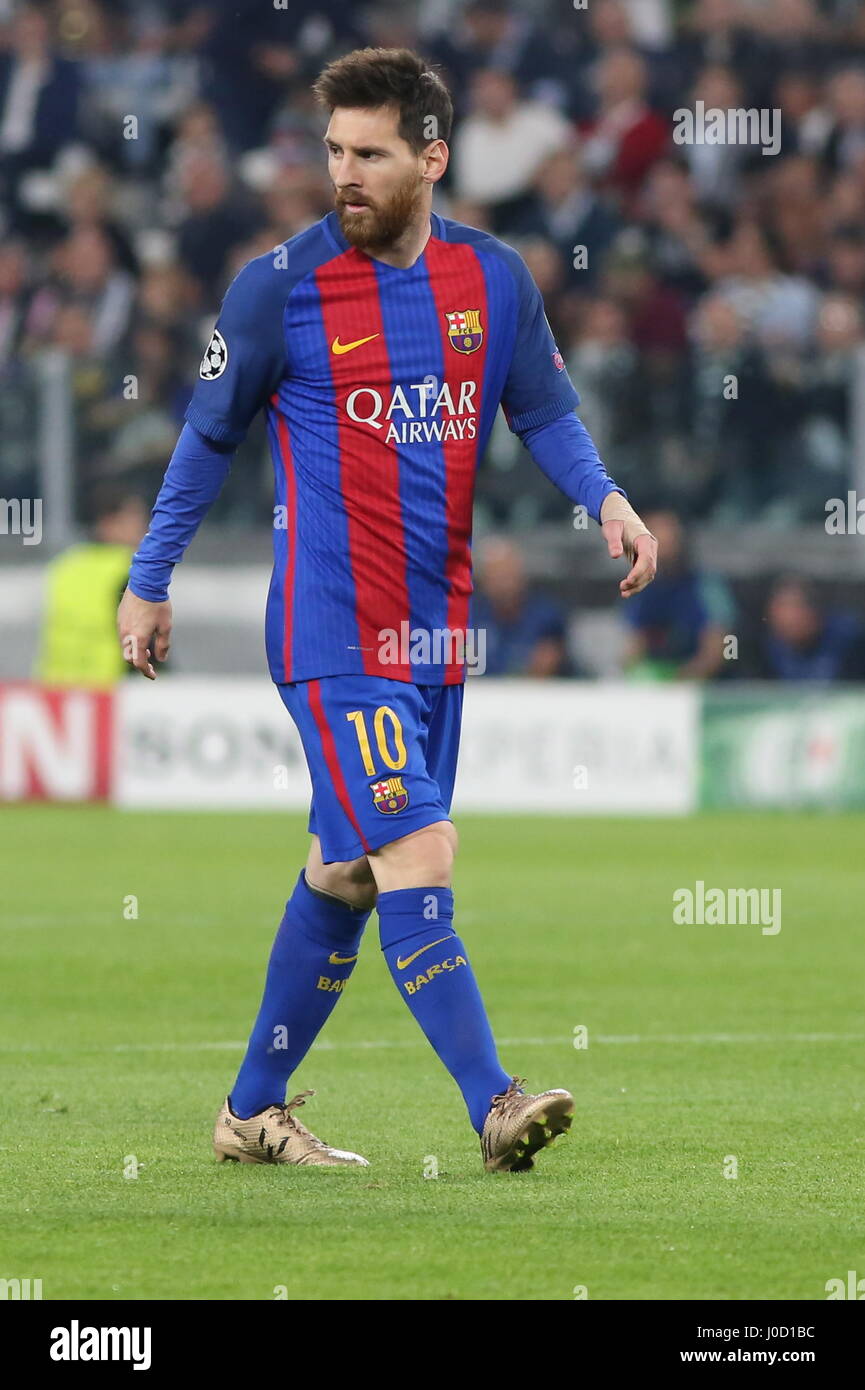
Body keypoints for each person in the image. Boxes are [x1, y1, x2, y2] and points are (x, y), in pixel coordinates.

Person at [117, 47, 657, 1175]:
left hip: (436, 634)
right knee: (420, 845)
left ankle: (251, 1111)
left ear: (432, 156)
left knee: (350, 873)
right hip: (333, 631)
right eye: (333, 153)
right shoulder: (278, 286)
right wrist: (151, 575)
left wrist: (603, 497)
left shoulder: (494, 279)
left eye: (368, 154)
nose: (344, 175)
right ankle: (493, 1103)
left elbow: (543, 411)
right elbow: (207, 436)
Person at [38, 486, 148, 689]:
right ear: (108, 523)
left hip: (56, 692)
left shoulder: (65, 565)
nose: (144, 531)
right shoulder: (130, 570)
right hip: (110, 692)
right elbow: (142, 642)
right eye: (134, 522)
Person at [623, 509, 730, 680]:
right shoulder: (641, 588)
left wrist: (685, 678)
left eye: (666, 532)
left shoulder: (706, 585)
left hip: (706, 684)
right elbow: (633, 646)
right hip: (657, 681)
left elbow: (717, 648)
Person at [470, 535, 570, 676]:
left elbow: (550, 663)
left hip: (534, 694)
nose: (504, 585)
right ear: (484, 581)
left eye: (508, 575)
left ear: (521, 575)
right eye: (496, 577)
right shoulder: (471, 615)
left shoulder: (546, 616)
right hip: (483, 694)